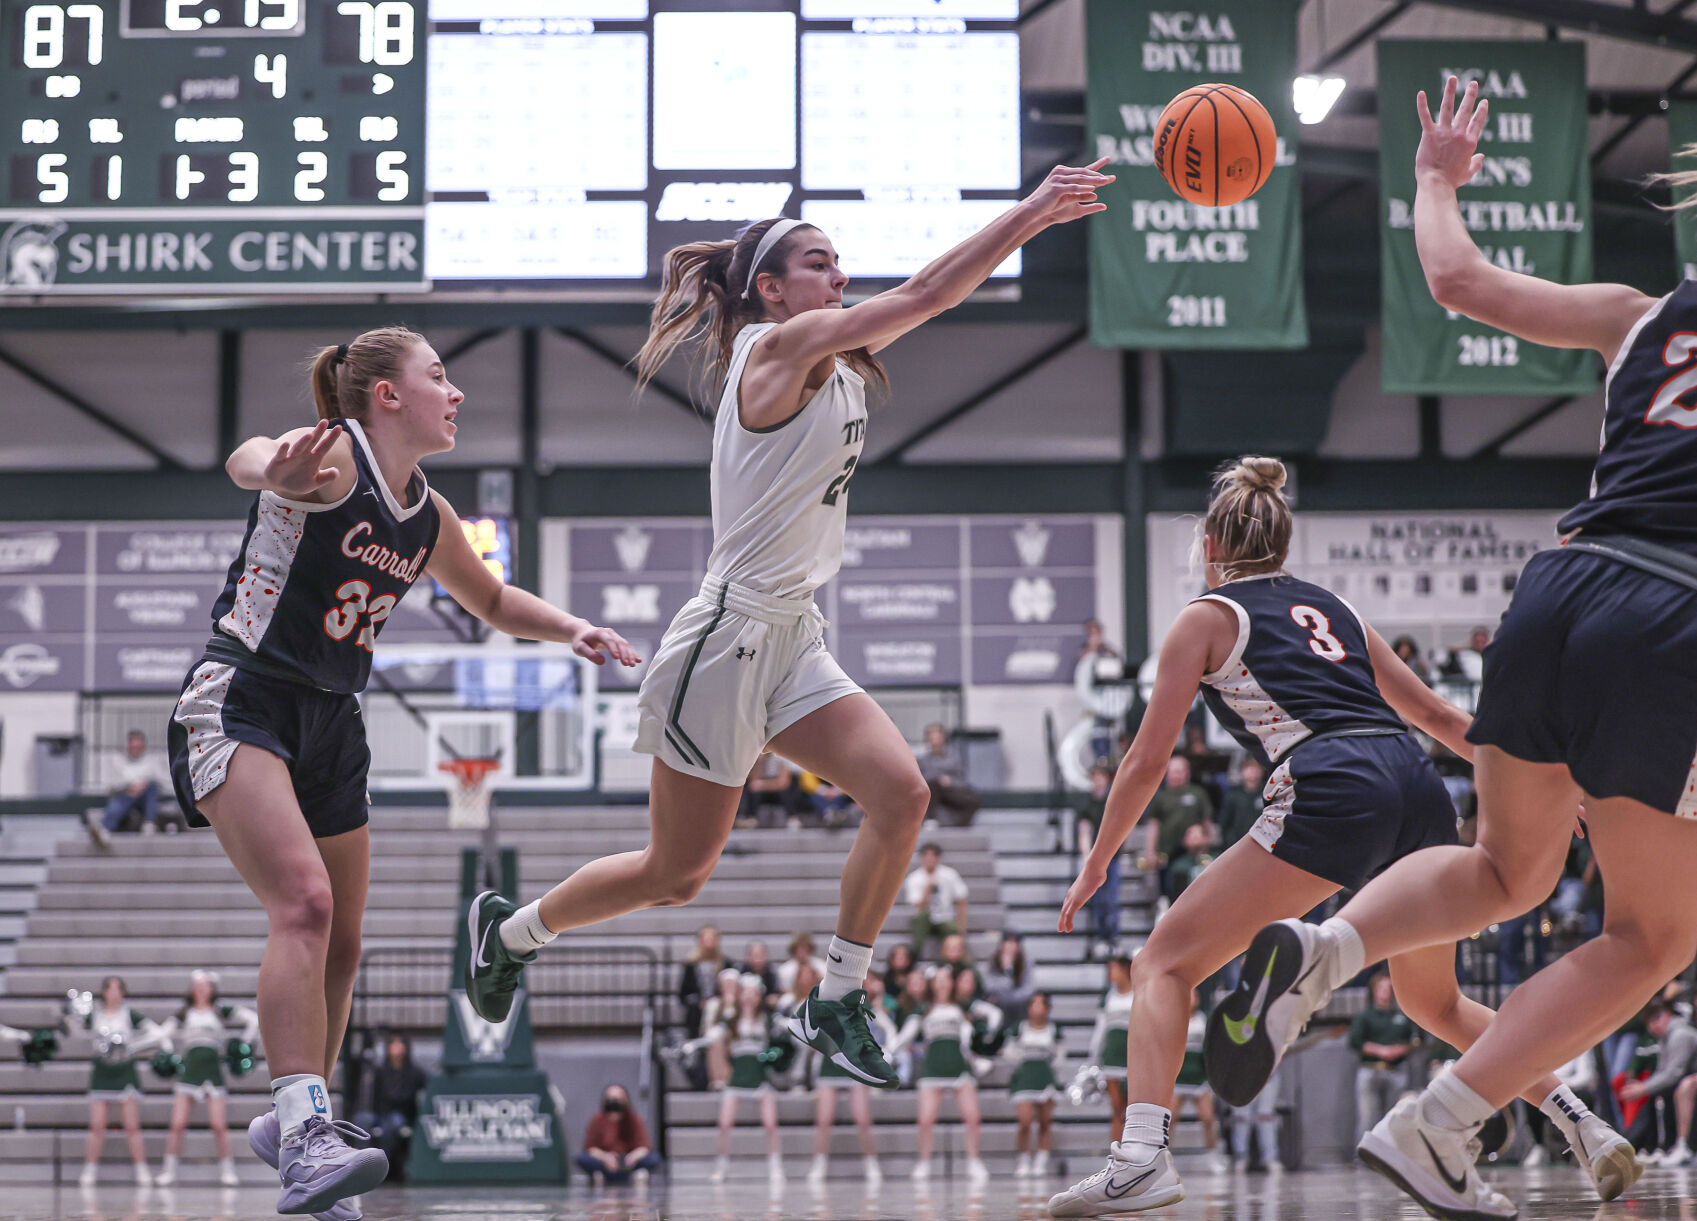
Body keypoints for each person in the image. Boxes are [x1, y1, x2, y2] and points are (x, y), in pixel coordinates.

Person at [464, 166, 1111, 1090]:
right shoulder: (770, 348)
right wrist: (1031, 214)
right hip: (726, 636)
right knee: (676, 875)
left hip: (793, 629)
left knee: (903, 796)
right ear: (769, 288)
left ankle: (835, 994)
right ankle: (514, 930)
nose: (837, 277)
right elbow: (928, 294)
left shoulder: (831, 364)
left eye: (840, 263)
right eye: (818, 263)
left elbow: (909, 307)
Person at [1198, 76, 1697, 1221]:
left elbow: (1455, 283)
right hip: (1668, 619)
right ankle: (1438, 1126)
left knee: (1503, 873)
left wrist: (1433, 175)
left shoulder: (1638, 315)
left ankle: (1323, 952)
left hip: (1552, 592)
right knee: (1648, 934)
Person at [1048, 452, 1632, 1217]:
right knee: (1437, 1001)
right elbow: (1442, 719)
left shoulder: (1205, 616)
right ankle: (1579, 1121)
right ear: (1282, 546)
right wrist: (1559, 783)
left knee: (1162, 962)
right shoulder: (1337, 610)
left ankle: (1139, 1157)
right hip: (1415, 782)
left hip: (1329, 778)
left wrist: (1097, 859)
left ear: (1214, 548)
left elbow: (1146, 757)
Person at [166, 327, 637, 1219]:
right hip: (247, 695)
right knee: (302, 903)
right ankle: (304, 1132)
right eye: (438, 376)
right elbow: (248, 453)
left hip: (334, 719)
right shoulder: (332, 455)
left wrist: (571, 628)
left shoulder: (429, 513)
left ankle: (298, 1118)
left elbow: (492, 600)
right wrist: (271, 473)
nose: (454, 393)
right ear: (386, 394)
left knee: (343, 942)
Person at [888, 968, 991, 1185]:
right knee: (925, 1120)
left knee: (972, 1118)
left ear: (952, 983)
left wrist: (987, 1035)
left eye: (946, 979)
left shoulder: (961, 1006)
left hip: (958, 1065)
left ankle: (974, 1161)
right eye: (938, 980)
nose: (943, 984)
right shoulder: (923, 1009)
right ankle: (924, 1162)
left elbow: (992, 1014)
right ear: (932, 984)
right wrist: (888, 1053)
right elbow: (906, 1035)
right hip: (933, 1066)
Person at [157, 970, 259, 1187]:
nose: (202, 989)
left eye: (206, 985)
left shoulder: (220, 1010)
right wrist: (169, 1052)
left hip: (213, 1072)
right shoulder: (184, 1014)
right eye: (198, 985)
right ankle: (169, 1170)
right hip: (189, 1072)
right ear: (192, 989)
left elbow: (253, 1020)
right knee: (177, 1124)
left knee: (218, 1125)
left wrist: (244, 1044)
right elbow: (162, 1034)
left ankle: (227, 1170)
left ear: (212, 989)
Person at [689, 975, 788, 1187]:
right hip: (736, 1079)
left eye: (754, 993)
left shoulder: (768, 1019)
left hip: (760, 1078)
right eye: (746, 993)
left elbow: (784, 1037)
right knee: (724, 1124)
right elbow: (711, 1037)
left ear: (759, 996)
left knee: (771, 1124)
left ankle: (775, 1166)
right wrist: (693, 1045)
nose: (749, 998)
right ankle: (722, 1166)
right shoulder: (730, 1020)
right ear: (740, 995)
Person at [71, 977, 166, 1189]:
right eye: (109, 988)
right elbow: (77, 1033)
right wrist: (73, 1017)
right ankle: (90, 1169)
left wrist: (132, 1046)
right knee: (97, 1125)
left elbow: (157, 1033)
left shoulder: (129, 1014)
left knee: (132, 1126)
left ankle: (141, 1168)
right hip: (102, 1071)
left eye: (117, 989)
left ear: (123, 992)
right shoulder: (94, 1014)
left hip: (125, 1070)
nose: (113, 993)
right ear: (104, 992)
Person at [807, 973, 894, 1187]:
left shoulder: (861, 1004)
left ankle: (871, 1163)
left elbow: (885, 1028)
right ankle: (819, 1163)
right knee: (824, 1120)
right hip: (830, 1066)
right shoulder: (822, 1006)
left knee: (863, 1119)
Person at [1620, 999, 1697, 1160]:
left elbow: (1674, 1073)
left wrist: (1644, 1088)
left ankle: (1677, 1145)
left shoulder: (1680, 1034)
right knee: (1654, 1094)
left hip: (1687, 1079)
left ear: (1669, 1016)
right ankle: (1652, 1146)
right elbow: (1662, 1071)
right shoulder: (1665, 1038)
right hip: (1684, 1078)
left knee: (1667, 1091)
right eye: (1649, 1022)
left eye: (1657, 1019)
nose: (1653, 1026)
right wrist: (1644, 1087)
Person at [1005, 991, 1066, 1179]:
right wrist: (1022, 1063)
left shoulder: (1053, 1030)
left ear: (1047, 1008)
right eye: (1034, 1004)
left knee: (1045, 1121)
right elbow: (1008, 1051)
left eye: (1041, 1004)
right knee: (1024, 1121)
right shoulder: (1020, 1028)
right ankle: (1023, 1159)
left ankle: (1041, 1160)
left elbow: (1060, 1055)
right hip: (1025, 1078)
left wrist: (1050, 1069)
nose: (1037, 1008)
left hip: (1045, 1078)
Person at [1350, 973, 1418, 1142]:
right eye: (1381, 988)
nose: (1385, 992)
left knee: (1394, 1117)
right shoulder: (1365, 1016)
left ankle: (1390, 1154)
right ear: (1373, 991)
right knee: (1367, 1116)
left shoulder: (1401, 1016)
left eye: (1388, 989)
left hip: (1396, 1070)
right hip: (1370, 1069)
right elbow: (1355, 1041)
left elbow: (1414, 1041)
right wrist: (1380, 1050)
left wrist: (1400, 1049)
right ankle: (1362, 1156)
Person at [353, 1032, 428, 1175]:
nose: (396, 1048)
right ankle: (360, 1163)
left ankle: (380, 1167)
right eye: (393, 1044)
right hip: (381, 1113)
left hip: (401, 1115)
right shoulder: (380, 1071)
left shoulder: (415, 1073)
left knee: (393, 1122)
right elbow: (375, 1098)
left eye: (399, 1044)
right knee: (362, 1119)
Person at [83, 730, 170, 848]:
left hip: (146, 797)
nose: (136, 749)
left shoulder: (152, 761)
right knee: (122, 799)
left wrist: (142, 785)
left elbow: (162, 782)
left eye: (138, 746)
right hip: (126, 795)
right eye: (133, 746)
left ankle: (149, 823)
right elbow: (112, 785)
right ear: (128, 746)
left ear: (143, 747)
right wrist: (129, 786)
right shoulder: (118, 762)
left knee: (152, 786)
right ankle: (104, 831)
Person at [1173, 991, 1228, 1174]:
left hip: (1199, 1077)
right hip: (1178, 1077)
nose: (1191, 998)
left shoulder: (1203, 1019)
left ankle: (1212, 1157)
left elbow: (1211, 1050)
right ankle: (1163, 1159)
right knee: (1170, 1119)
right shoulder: (1174, 1018)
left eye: (1194, 995)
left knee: (1208, 1118)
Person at [1075, 764, 1123, 959]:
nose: (1098, 780)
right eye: (1095, 776)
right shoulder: (1087, 804)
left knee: (1111, 898)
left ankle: (1113, 937)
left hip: (1112, 857)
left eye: (1101, 776)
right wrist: (1087, 857)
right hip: (1096, 860)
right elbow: (1084, 831)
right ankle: (1101, 937)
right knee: (1098, 899)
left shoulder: (1113, 801)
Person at [1087, 955, 1134, 1147]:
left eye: (1113, 969)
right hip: (1112, 1057)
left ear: (1125, 969)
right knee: (1117, 1108)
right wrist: (1094, 1057)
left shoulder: (1139, 993)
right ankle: (1116, 1154)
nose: (1110, 974)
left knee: (1132, 1109)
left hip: (1133, 1056)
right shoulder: (1108, 997)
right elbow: (1100, 1029)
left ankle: (1134, 1152)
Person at [577, 1084, 661, 1187]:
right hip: (605, 1162)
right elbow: (590, 1148)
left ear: (626, 1100)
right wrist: (605, 1158)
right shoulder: (597, 1119)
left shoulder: (634, 1119)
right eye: (610, 1099)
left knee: (654, 1158)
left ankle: (635, 1174)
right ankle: (600, 1174)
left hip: (628, 1163)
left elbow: (644, 1147)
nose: (614, 1102)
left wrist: (632, 1158)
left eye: (617, 1099)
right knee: (582, 1158)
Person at [1147, 755, 1215, 871]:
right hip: (1167, 851)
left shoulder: (1198, 793)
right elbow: (1154, 825)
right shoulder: (1160, 796)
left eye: (1179, 771)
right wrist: (1150, 851)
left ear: (1187, 773)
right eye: (1173, 772)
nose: (1176, 775)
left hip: (1194, 850)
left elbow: (1207, 821)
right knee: (1168, 885)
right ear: (1166, 773)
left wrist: (1207, 845)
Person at [904, 843, 970, 958]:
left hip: (944, 918)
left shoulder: (950, 875)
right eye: (927, 856)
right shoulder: (914, 878)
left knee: (953, 933)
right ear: (921, 858)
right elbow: (918, 906)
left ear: (939, 858)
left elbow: (962, 900)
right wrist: (928, 888)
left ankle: (956, 962)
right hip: (924, 920)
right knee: (921, 918)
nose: (930, 860)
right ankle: (914, 957)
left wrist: (962, 929)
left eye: (933, 856)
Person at [918, 723, 981, 827]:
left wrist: (950, 780)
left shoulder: (954, 758)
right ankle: (931, 820)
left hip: (951, 790)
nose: (934, 740)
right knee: (933, 784)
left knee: (974, 800)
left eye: (937, 736)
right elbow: (921, 779)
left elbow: (961, 778)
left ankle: (960, 825)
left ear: (943, 737)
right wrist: (938, 778)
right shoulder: (923, 760)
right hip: (932, 790)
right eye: (931, 736)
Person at [679, 925, 729, 1040]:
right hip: (697, 1008)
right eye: (706, 939)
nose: (709, 944)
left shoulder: (726, 963)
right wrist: (699, 1001)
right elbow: (684, 993)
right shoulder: (690, 965)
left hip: (719, 1006)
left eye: (712, 939)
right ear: (700, 941)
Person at [983, 932, 1033, 1027]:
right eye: (1007, 942)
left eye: (1014, 943)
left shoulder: (1026, 963)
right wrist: (1007, 971)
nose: (1010, 947)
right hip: (999, 1007)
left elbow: (1028, 990)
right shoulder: (993, 961)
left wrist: (1007, 997)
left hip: (1019, 1007)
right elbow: (988, 985)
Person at [1215, 758, 1265, 851]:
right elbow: (1224, 822)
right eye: (1249, 768)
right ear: (1243, 771)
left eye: (1256, 769)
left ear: (1261, 772)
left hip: (1261, 843)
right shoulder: (1233, 795)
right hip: (1236, 843)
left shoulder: (1267, 794)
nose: (1252, 772)